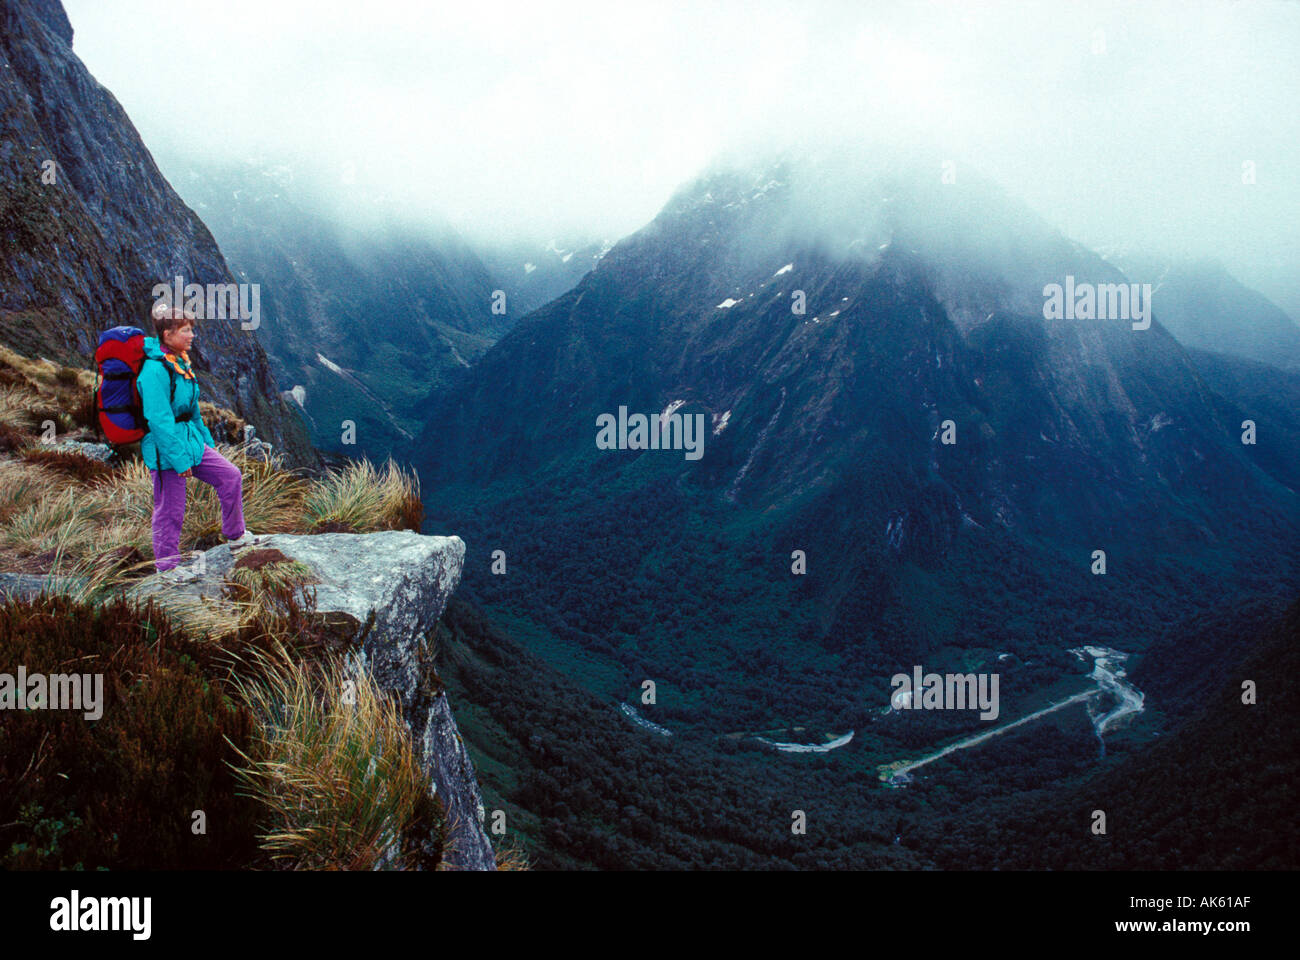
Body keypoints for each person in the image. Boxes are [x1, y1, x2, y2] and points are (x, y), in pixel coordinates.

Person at [138, 305, 262, 579]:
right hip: (165, 450)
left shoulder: (180, 361)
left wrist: (207, 443)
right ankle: (167, 568)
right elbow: (159, 421)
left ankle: (235, 535)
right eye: (186, 330)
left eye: (191, 329)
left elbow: (192, 409)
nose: (192, 335)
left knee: (230, 476)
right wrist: (179, 459)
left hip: (191, 442)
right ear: (168, 334)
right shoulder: (154, 371)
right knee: (170, 509)